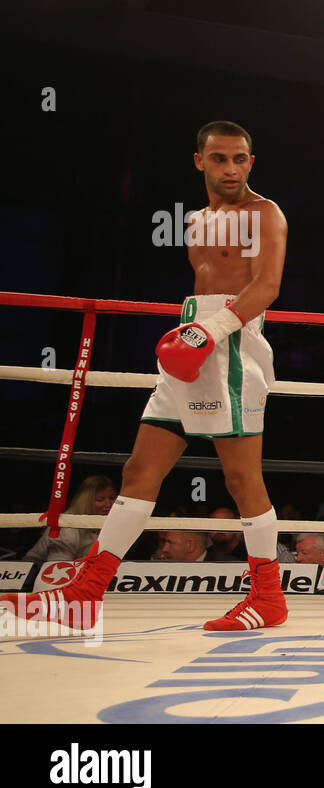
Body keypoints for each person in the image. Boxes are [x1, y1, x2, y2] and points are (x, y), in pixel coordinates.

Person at [2, 120, 289, 632]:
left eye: (240, 158)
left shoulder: (263, 213)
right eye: (219, 158)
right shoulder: (199, 219)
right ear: (199, 160)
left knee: (241, 478)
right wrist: (193, 332)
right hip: (192, 335)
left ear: (251, 160)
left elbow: (266, 287)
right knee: (139, 471)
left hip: (231, 342)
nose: (231, 167)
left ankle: (268, 597)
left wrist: (209, 333)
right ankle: (86, 590)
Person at [23, 475, 118, 563]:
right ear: (86, 502)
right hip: (37, 571)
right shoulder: (67, 525)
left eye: (112, 498)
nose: (108, 505)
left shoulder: (114, 523)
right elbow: (57, 567)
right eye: (100, 500)